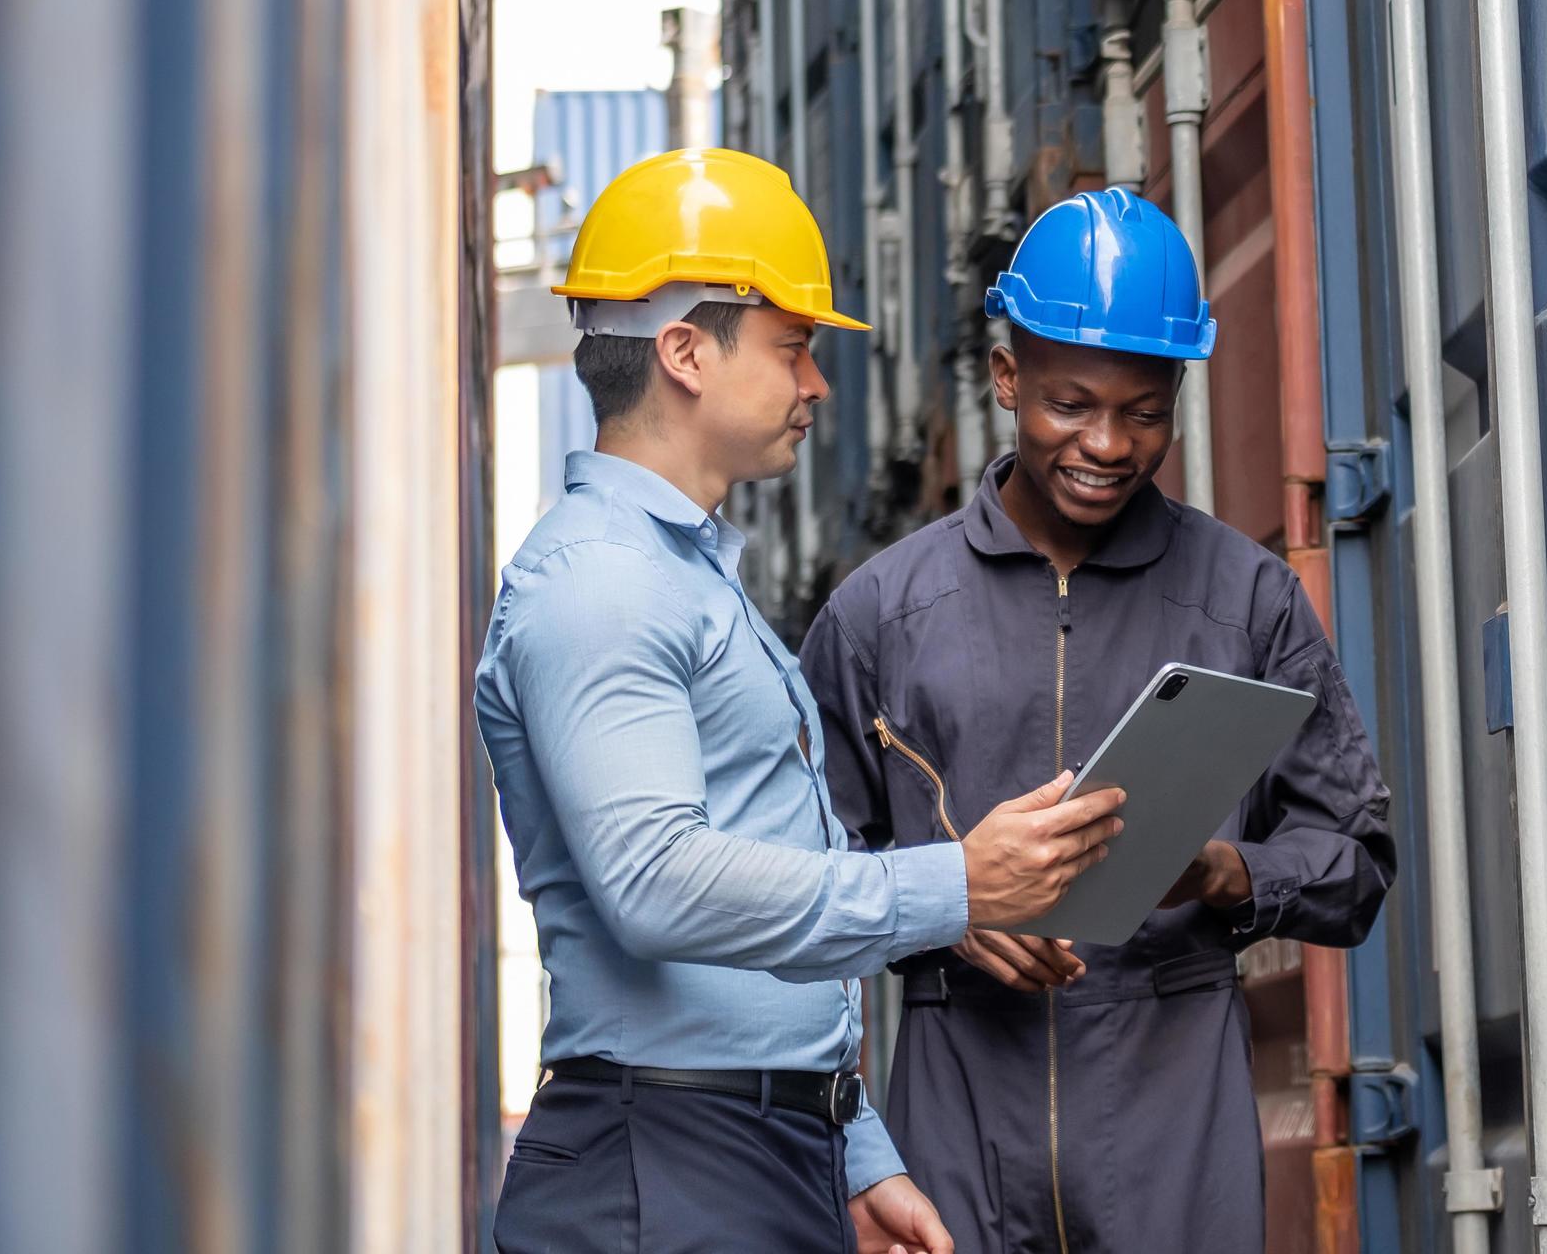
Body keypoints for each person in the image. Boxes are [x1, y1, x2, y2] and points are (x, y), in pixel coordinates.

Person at [478, 148, 1128, 1254]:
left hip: (738, 1154)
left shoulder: (682, 576)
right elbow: (656, 883)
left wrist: (851, 1147)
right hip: (666, 1166)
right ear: (685, 351)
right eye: (793, 346)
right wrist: (958, 884)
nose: (818, 384)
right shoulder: (600, 583)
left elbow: (748, 892)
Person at [802, 187, 1396, 1252]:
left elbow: (1356, 859)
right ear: (1006, 378)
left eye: (1146, 412)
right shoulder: (880, 616)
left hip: (1178, 1131)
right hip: (959, 1126)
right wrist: (940, 902)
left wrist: (1221, 872)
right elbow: (792, 876)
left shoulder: (1247, 602)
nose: (1109, 444)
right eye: (1071, 404)